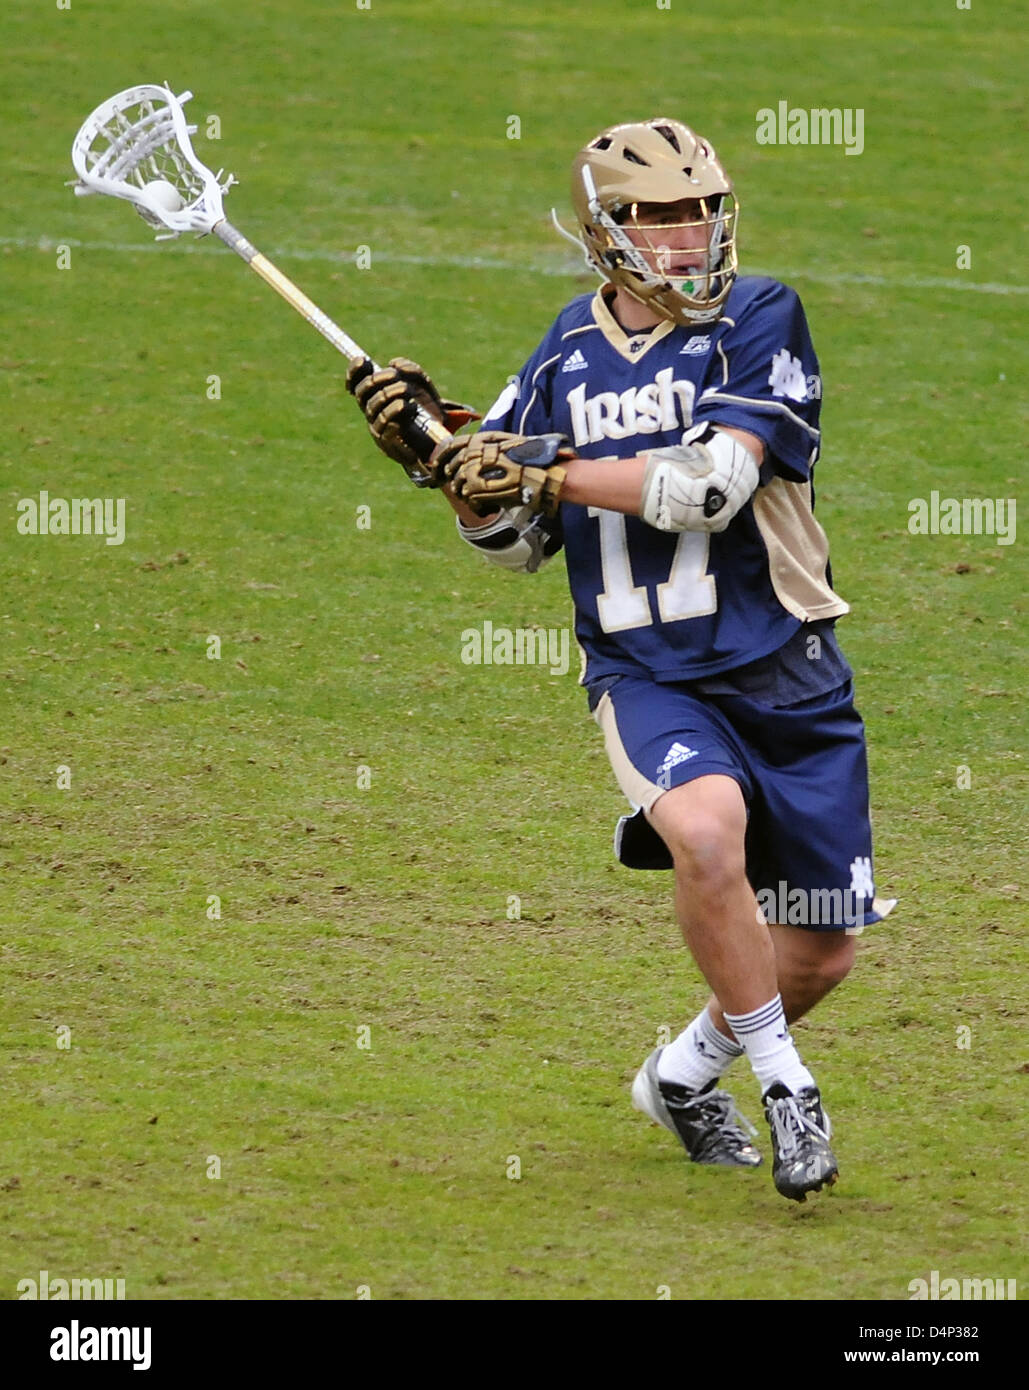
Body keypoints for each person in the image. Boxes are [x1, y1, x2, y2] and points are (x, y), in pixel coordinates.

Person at [346, 118, 894, 1202]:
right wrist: (435, 458)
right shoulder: (562, 349)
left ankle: (684, 1073)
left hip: (787, 671)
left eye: (702, 209)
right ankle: (789, 1089)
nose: (688, 235)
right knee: (705, 828)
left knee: (821, 954)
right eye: (658, 214)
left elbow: (707, 489)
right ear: (607, 232)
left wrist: (536, 465)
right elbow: (508, 544)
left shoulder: (762, 317)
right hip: (647, 673)